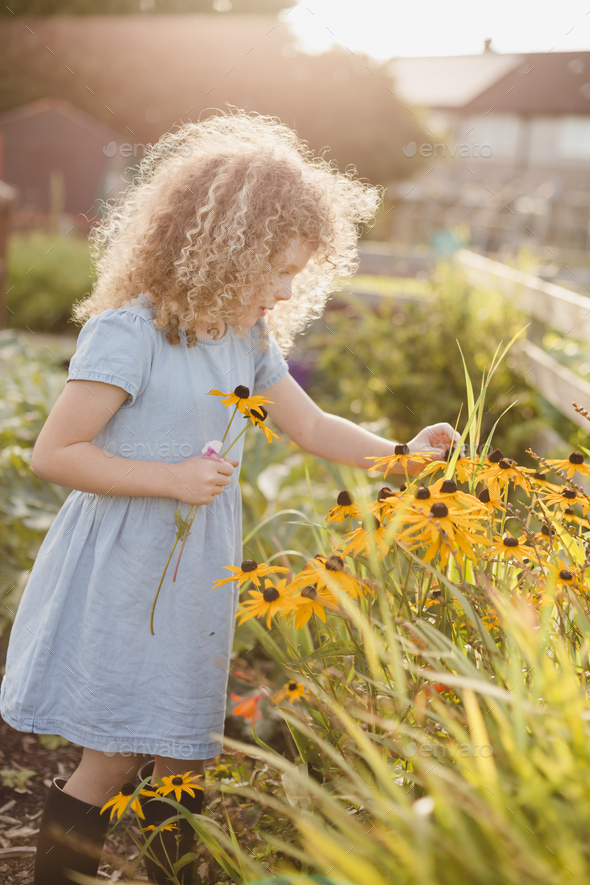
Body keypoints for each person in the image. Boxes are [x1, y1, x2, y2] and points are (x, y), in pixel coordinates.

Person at [0, 109, 459, 885]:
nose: (285, 290)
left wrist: (402, 458)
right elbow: (56, 453)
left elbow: (310, 425)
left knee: (186, 749)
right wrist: (171, 478)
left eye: (297, 273)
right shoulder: (128, 332)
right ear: (219, 248)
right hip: (123, 569)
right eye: (276, 269)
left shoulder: (246, 338)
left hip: (193, 574)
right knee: (111, 753)